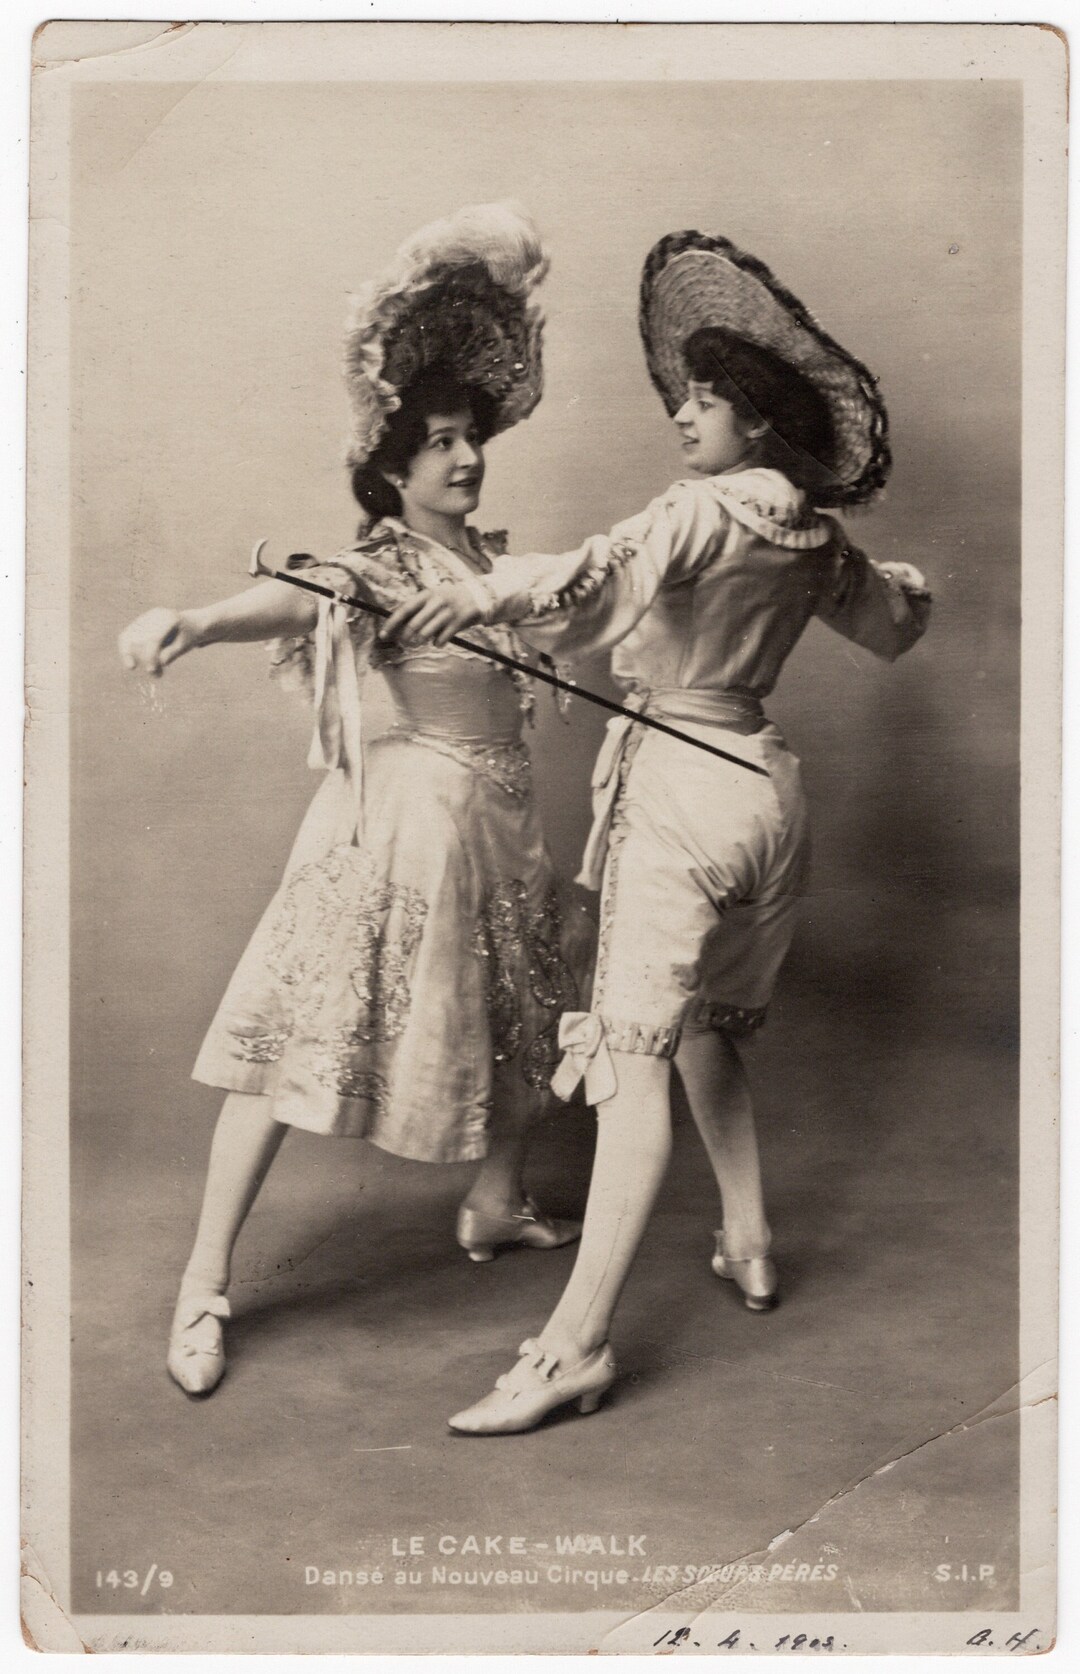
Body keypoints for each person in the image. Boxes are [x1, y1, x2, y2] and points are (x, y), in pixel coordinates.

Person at [385, 228, 932, 1433]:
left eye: (706, 402)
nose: (685, 416)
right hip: (770, 797)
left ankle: (574, 1347)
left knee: (628, 1066)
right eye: (686, 397)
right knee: (697, 1035)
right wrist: (904, 582)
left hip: (680, 796)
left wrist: (478, 591)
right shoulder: (813, 535)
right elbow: (895, 628)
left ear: (753, 425)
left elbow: (598, 568)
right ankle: (747, 1239)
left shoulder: (697, 511)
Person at [118, 205, 587, 1398]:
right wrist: (198, 621)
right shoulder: (378, 564)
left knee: (527, 1008)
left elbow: (591, 600)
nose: (464, 457)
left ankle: (494, 1201)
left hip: (502, 827)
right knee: (294, 1054)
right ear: (393, 464)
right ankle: (204, 1287)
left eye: (469, 436)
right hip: (402, 837)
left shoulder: (500, 563)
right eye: (437, 442)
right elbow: (296, 598)